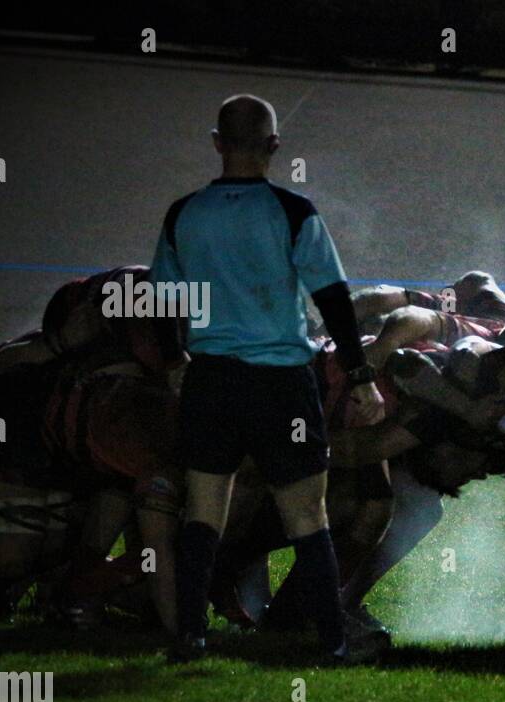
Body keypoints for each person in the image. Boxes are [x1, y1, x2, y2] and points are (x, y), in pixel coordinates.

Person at [149, 93, 384, 664]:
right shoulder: (294, 211)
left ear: (217, 142)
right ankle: (331, 641)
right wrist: (360, 375)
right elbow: (332, 298)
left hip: (211, 379)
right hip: (280, 384)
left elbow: (160, 302)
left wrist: (175, 364)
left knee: (203, 509)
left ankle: (191, 635)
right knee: (307, 515)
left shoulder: (184, 213)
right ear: (274, 146)